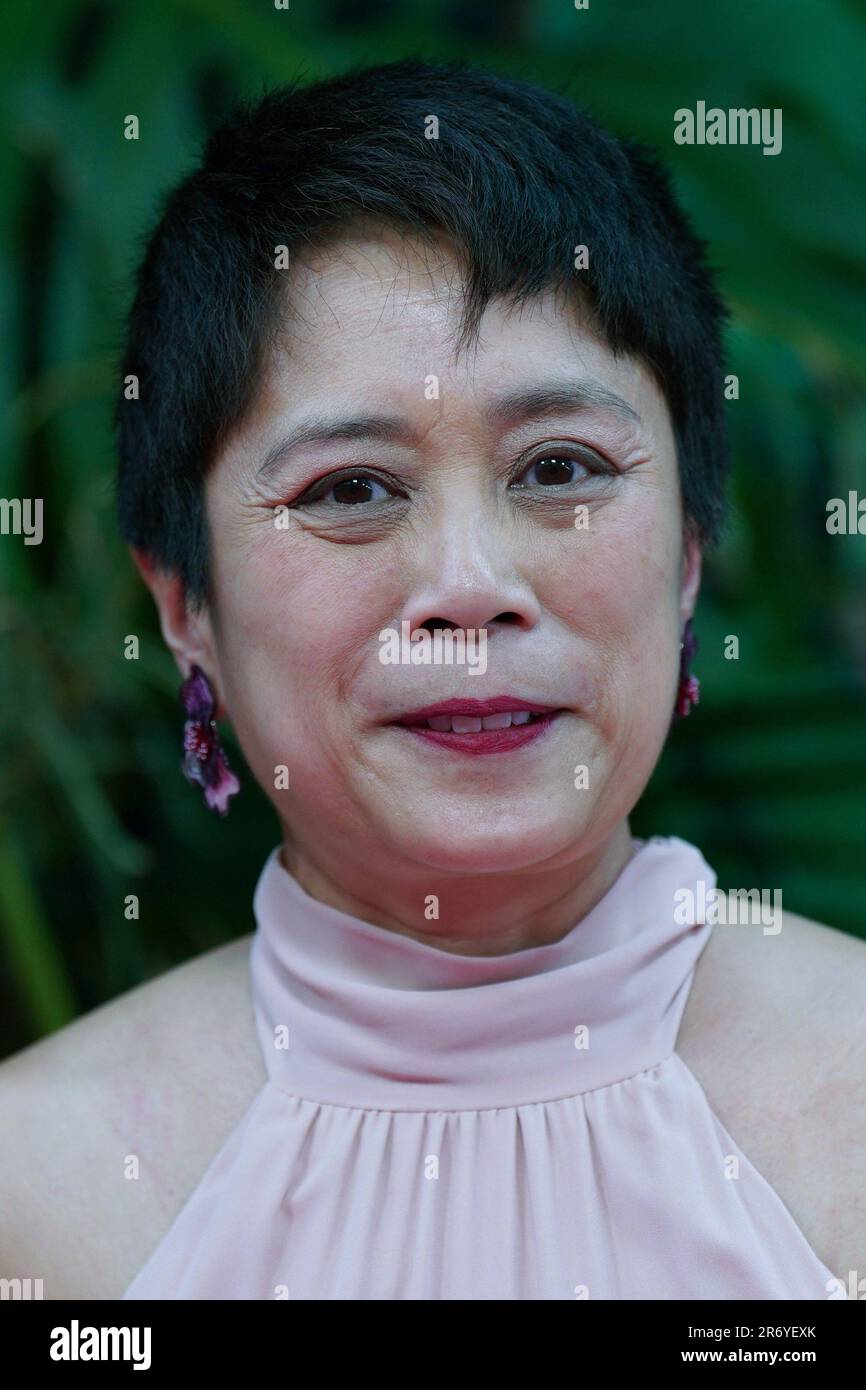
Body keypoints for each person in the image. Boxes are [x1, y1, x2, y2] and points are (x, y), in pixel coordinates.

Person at [1, 57, 863, 1300]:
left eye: (560, 469)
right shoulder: (43, 1199)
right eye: (349, 490)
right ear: (185, 602)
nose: (469, 582)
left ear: (684, 555)